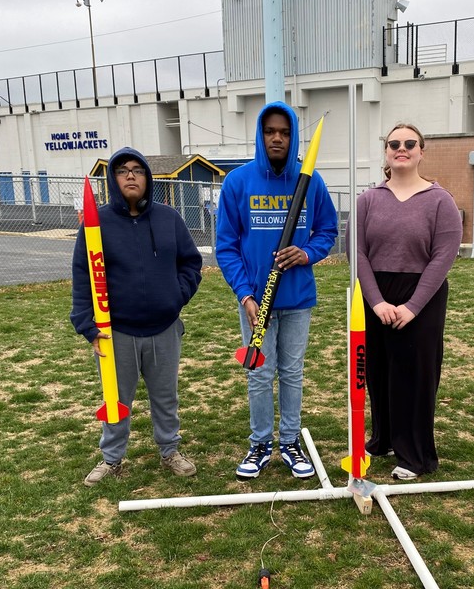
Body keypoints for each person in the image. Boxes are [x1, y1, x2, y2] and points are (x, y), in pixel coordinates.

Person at [216, 102, 339, 480]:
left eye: (284, 133)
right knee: (258, 373)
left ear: (293, 138)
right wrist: (245, 295)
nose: (277, 138)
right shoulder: (238, 182)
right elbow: (226, 245)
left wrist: (305, 253)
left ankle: (289, 442)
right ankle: (260, 444)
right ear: (260, 134)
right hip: (256, 301)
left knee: (291, 372)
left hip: (297, 299)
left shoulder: (311, 182)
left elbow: (328, 232)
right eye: (270, 131)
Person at [70, 147, 203, 486]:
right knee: (115, 399)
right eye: (122, 170)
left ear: (148, 178)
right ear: (113, 179)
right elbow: (83, 276)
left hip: (164, 328)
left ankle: (170, 450)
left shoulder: (168, 218)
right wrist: (88, 326)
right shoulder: (96, 222)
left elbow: (190, 263)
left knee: (166, 396)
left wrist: (176, 296)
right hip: (117, 333)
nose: (131, 175)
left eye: (137, 170)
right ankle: (112, 458)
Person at [355, 123, 462, 480]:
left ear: (421, 150)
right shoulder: (368, 200)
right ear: (386, 151)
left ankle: (414, 455)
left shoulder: (439, 200)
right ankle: (384, 438)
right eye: (394, 143)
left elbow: (443, 256)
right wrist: (376, 301)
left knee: (414, 376)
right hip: (376, 295)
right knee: (379, 372)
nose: (402, 148)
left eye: (409, 143)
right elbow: (358, 254)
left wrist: (412, 306)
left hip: (422, 296)